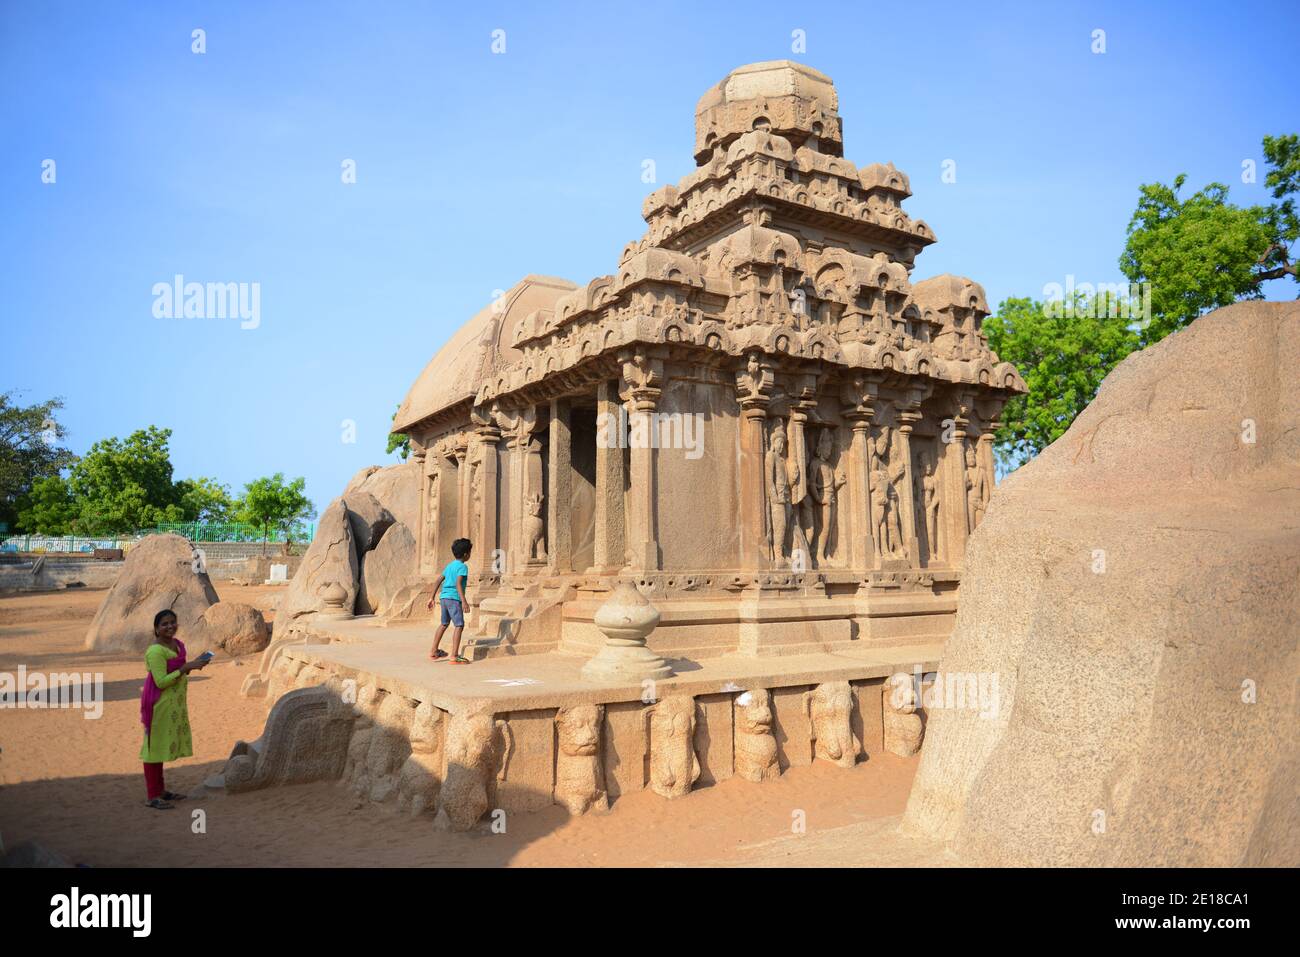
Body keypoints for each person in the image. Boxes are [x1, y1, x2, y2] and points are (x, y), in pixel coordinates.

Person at [139, 608, 210, 809]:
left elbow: (179, 672)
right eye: (164, 624)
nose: (170, 626)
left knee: (161, 746)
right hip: (159, 704)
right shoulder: (155, 651)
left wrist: (193, 665)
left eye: (173, 622)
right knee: (153, 749)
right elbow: (160, 681)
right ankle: (153, 795)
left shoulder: (178, 646)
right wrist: (185, 668)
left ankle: (161, 791)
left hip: (174, 705)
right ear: (156, 629)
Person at [427, 538, 472, 664]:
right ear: (465, 554)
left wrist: (431, 597)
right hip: (454, 598)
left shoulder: (450, 565)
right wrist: (464, 601)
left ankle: (433, 651)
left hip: (444, 597)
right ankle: (454, 656)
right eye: (469, 552)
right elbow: (458, 583)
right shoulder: (463, 567)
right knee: (459, 625)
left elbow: (438, 581)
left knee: (444, 624)